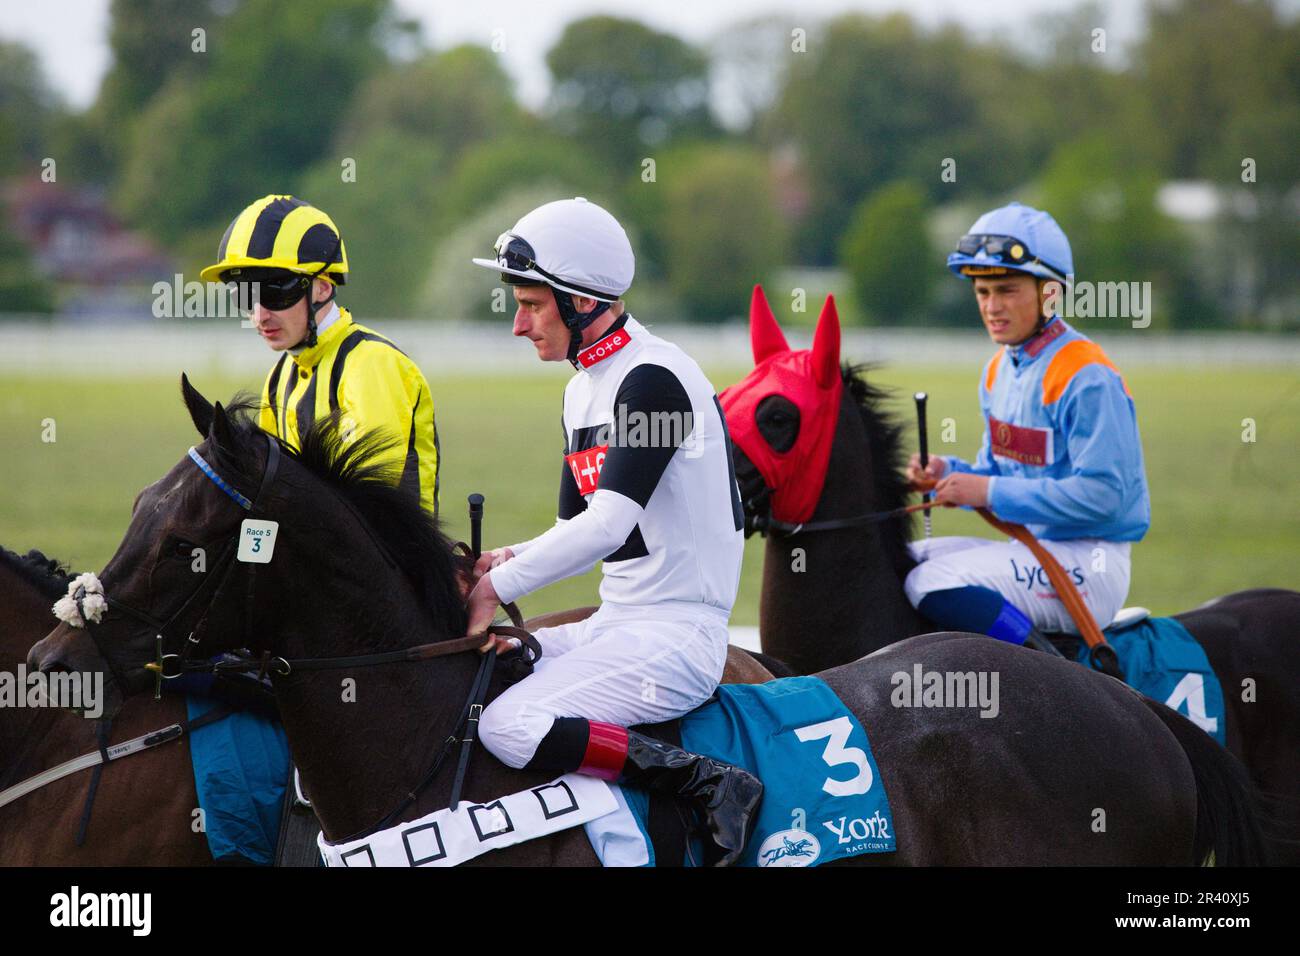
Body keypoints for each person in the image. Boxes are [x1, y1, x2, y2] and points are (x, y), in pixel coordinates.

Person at [466, 197, 760, 865]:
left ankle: (709, 783)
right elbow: (575, 526)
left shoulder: (653, 379)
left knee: (511, 727)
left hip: (678, 637)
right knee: (483, 685)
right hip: (619, 622)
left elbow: (608, 524)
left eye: (532, 305)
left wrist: (497, 588)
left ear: (582, 302)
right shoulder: (582, 388)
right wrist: (499, 560)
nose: (517, 325)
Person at [904, 202, 1150, 652]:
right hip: (1037, 552)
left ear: (1050, 295)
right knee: (900, 562)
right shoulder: (999, 370)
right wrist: (946, 471)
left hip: (1090, 564)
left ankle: (1060, 681)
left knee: (930, 582)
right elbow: (1001, 474)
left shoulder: (1087, 375)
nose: (992, 308)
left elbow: (1108, 498)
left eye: (1008, 291)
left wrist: (986, 493)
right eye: (982, 293)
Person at [200, 194, 440, 515]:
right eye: (244, 296)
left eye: (273, 293)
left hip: (394, 563)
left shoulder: (373, 364)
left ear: (323, 288)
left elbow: (367, 501)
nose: (259, 316)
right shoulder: (280, 374)